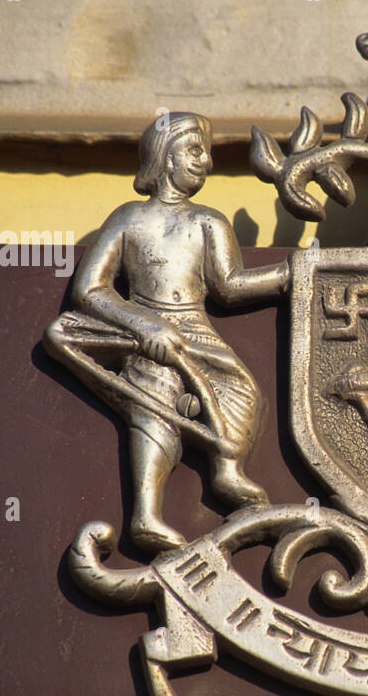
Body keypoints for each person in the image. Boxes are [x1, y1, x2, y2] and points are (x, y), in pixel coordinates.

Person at [44, 112, 288, 551]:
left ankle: (227, 470)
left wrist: (288, 275)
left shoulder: (209, 222)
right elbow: (89, 288)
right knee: (156, 396)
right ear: (164, 155)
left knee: (242, 390)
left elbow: (230, 287)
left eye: (207, 153)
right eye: (194, 150)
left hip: (195, 325)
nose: (206, 162)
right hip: (140, 326)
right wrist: (143, 324)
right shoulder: (129, 218)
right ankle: (146, 516)